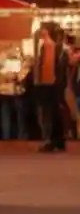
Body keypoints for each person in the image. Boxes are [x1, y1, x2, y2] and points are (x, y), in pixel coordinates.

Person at [33, 25, 67, 153]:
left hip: (48, 85)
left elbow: (47, 66)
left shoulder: (49, 47)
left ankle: (50, 140)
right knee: (55, 113)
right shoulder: (57, 49)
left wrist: (43, 81)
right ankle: (57, 140)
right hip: (55, 85)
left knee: (48, 113)